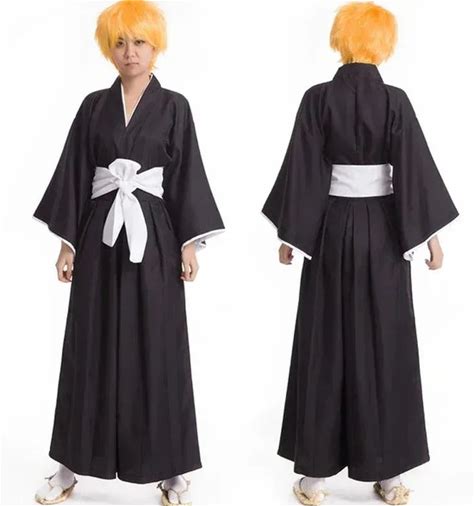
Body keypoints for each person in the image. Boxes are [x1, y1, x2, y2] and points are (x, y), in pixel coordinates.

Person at [261, 2, 459, 505]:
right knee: (386, 343)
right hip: (386, 233)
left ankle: (314, 477)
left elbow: (303, 170)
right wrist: (430, 236)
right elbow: (414, 169)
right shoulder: (394, 100)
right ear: (383, 44)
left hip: (329, 229)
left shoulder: (317, 98)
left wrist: (292, 234)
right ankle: (388, 475)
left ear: (341, 39)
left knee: (324, 341)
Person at [33, 1, 224, 504]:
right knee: (89, 343)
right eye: (119, 43)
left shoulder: (175, 106)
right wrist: (67, 244)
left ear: (155, 46)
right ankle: (69, 466)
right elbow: (75, 172)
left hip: (154, 237)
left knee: (158, 344)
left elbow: (186, 175)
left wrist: (189, 243)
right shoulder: (92, 106)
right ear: (108, 48)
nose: (130, 52)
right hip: (98, 237)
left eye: (139, 42)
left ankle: (172, 469)